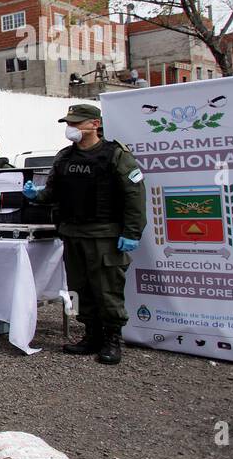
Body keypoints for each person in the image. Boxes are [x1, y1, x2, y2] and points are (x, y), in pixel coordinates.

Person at [24, 103, 145, 365]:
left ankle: (112, 339)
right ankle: (90, 335)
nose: (71, 128)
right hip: (72, 233)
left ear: (95, 124)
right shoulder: (65, 157)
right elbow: (53, 193)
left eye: (77, 123)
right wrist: (36, 195)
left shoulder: (115, 155)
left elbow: (134, 196)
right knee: (79, 289)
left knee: (108, 289)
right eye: (69, 123)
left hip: (104, 236)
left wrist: (132, 232)